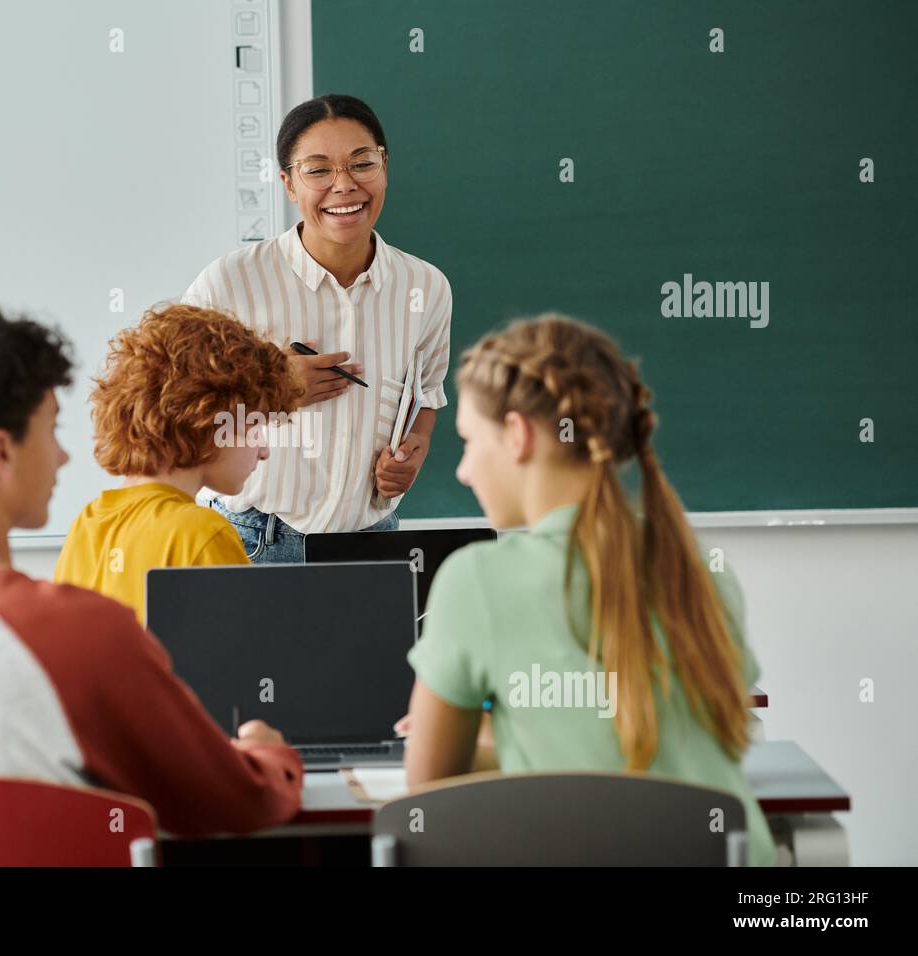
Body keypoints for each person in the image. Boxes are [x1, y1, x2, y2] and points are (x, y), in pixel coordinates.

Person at [0, 305, 302, 836]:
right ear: (1, 452)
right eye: (50, 428)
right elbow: (237, 802)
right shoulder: (80, 630)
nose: (66, 456)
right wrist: (269, 758)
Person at [404, 313, 775, 864]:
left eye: (467, 441)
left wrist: (499, 734)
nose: (462, 470)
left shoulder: (476, 579)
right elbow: (658, 756)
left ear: (517, 434)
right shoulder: (699, 567)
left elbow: (429, 791)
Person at [184, 94, 452, 562]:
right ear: (288, 184)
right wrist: (271, 387)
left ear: (385, 166)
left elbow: (426, 394)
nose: (344, 185)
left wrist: (417, 448)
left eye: (361, 163)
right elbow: (173, 408)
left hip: (373, 538)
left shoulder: (425, 287)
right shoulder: (229, 283)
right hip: (253, 538)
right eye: (318, 169)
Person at [54, 303, 301, 622]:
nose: (263, 450)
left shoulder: (88, 523)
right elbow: (238, 662)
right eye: (254, 425)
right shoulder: (202, 533)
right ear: (207, 418)